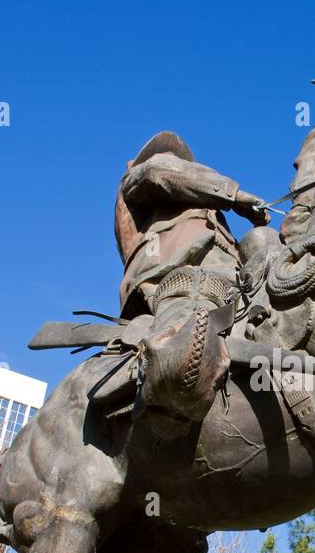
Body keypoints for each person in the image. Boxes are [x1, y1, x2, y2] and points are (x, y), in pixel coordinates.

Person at [113, 131, 275, 437]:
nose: (173, 162)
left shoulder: (206, 212)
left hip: (235, 285)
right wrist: (232, 194)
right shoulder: (141, 178)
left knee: (264, 242)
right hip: (179, 280)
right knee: (189, 349)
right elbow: (161, 172)